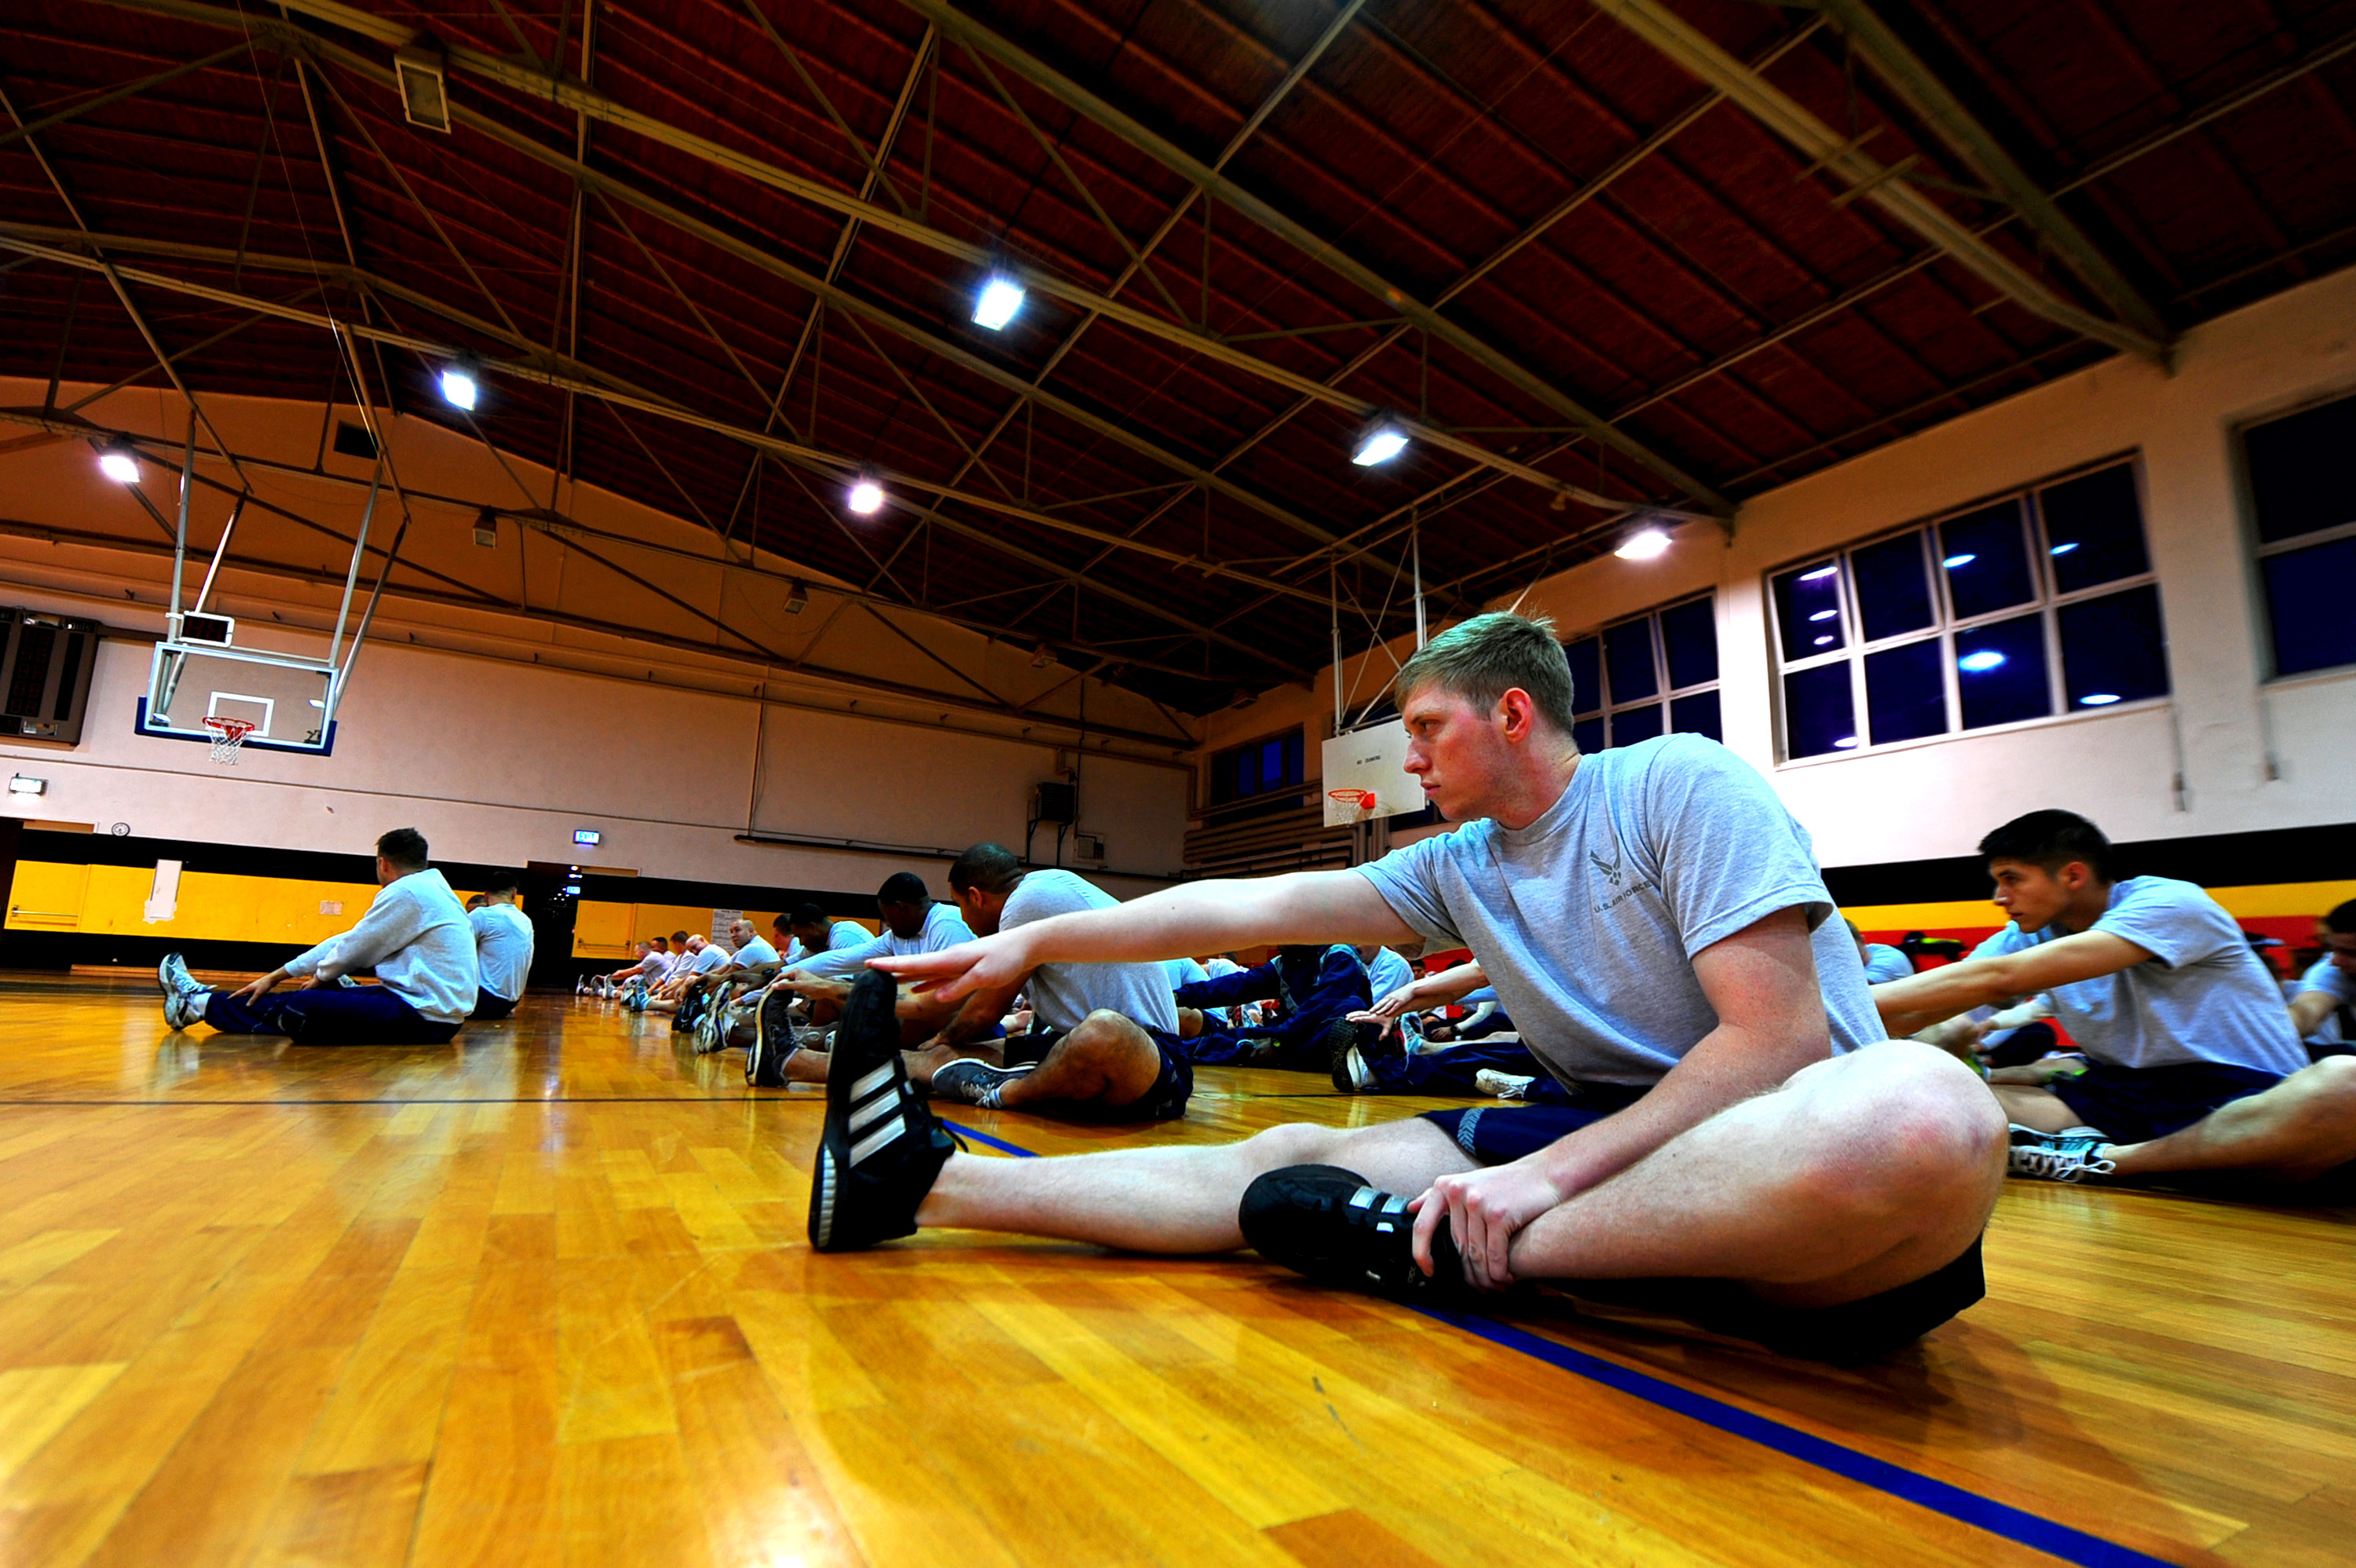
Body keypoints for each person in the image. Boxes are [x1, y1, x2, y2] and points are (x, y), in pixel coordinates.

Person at [810, 612, 2002, 1363]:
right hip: (1604, 1148)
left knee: (1924, 1113)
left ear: (1513, 714)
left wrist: (1539, 1181)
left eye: (1428, 727)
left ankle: (1452, 1246)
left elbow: (1777, 1044)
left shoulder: (1678, 783)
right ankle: (919, 1186)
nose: (1410, 758)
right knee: (1284, 1155)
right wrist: (1028, 947)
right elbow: (1251, 906)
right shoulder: (1455, 863)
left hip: (1793, 1173)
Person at [1874, 810, 2356, 1189]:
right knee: (1923, 1101)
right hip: (2121, 1098)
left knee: (2347, 1084)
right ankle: (2147, 1159)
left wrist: (1855, 1000)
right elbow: (1925, 1009)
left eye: (2011, 878)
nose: (1999, 897)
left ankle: (2108, 1162)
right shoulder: (2028, 934)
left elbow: (2001, 979)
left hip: (2244, 1098)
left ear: (2073, 876)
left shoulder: (2170, 901)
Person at [900, 842, 1193, 1120]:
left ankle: (1009, 1093)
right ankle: (883, 1070)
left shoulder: (1025, 903)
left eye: (959, 904)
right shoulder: (1047, 885)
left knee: (1102, 1030)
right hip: (1072, 1045)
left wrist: (941, 1036)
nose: (963, 919)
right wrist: (937, 1046)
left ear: (976, 897)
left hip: (1154, 1061)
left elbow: (985, 1011)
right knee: (945, 1057)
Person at [157, 827, 479, 1046]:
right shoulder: (432, 890)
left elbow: (356, 949)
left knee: (303, 1005)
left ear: (382, 863)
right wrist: (278, 975)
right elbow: (350, 940)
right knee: (323, 992)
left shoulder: (408, 893)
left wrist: (323, 975)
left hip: (422, 1019)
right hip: (431, 1015)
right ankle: (201, 1003)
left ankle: (197, 1004)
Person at [1173, 943, 1372, 1071]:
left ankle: (1262, 1052)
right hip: (1290, 1038)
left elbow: (1318, 1009)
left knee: (1350, 1009)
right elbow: (1238, 985)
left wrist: (1279, 1043)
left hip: (1319, 1036)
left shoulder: (1340, 955)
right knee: (1236, 1038)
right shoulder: (1283, 963)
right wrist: (1180, 996)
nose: (1275, 940)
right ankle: (1171, 1052)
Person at [2289, 900, 2356, 1058]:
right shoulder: (2332, 971)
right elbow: (2308, 1012)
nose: (2335, 960)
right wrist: (2276, 1024)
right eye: (2332, 949)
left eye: (2351, 953)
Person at [468, 875, 535, 1020]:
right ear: (514, 894)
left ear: (486, 896)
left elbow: (456, 950)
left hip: (486, 999)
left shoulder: (482, 915)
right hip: (511, 1002)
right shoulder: (525, 920)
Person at [1848, 919, 1913, 985]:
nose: (1845, 951)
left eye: (1848, 945)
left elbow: (1854, 986)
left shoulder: (1886, 963)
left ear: (1862, 940)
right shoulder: (1870, 950)